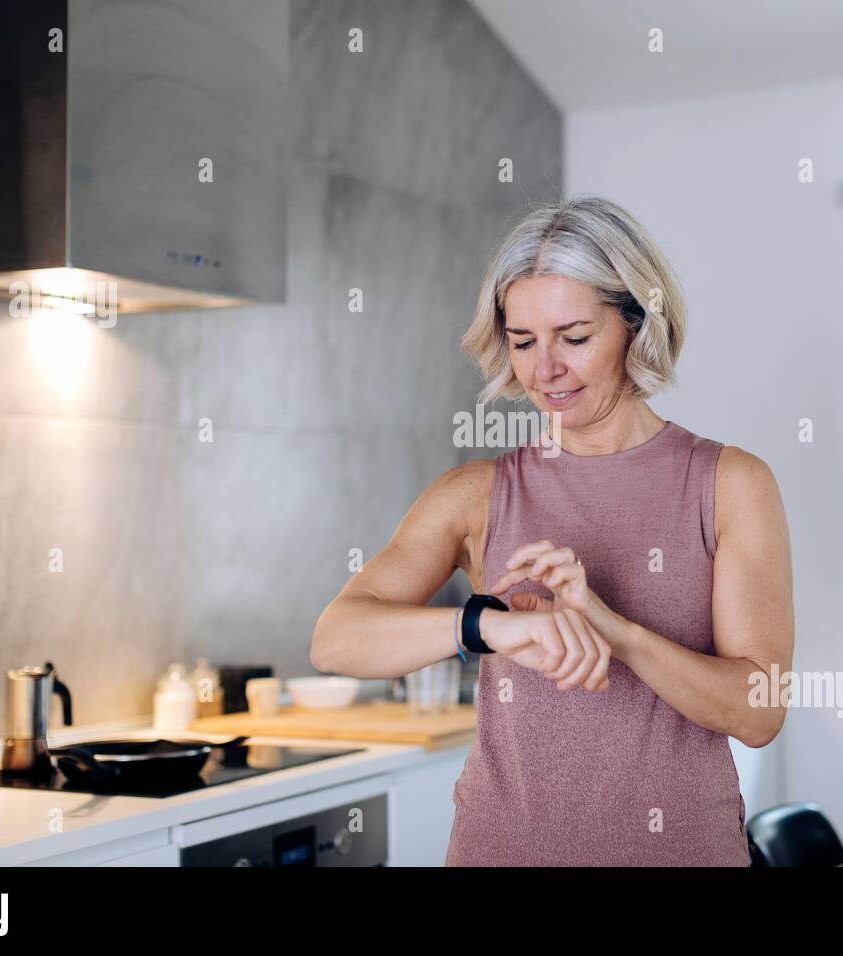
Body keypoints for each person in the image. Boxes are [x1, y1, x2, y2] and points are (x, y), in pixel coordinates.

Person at [312, 195, 794, 866]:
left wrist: (617, 634)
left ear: (635, 324)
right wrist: (494, 626)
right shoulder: (477, 493)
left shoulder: (730, 484)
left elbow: (759, 712)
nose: (545, 370)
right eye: (523, 341)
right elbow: (337, 639)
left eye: (574, 337)